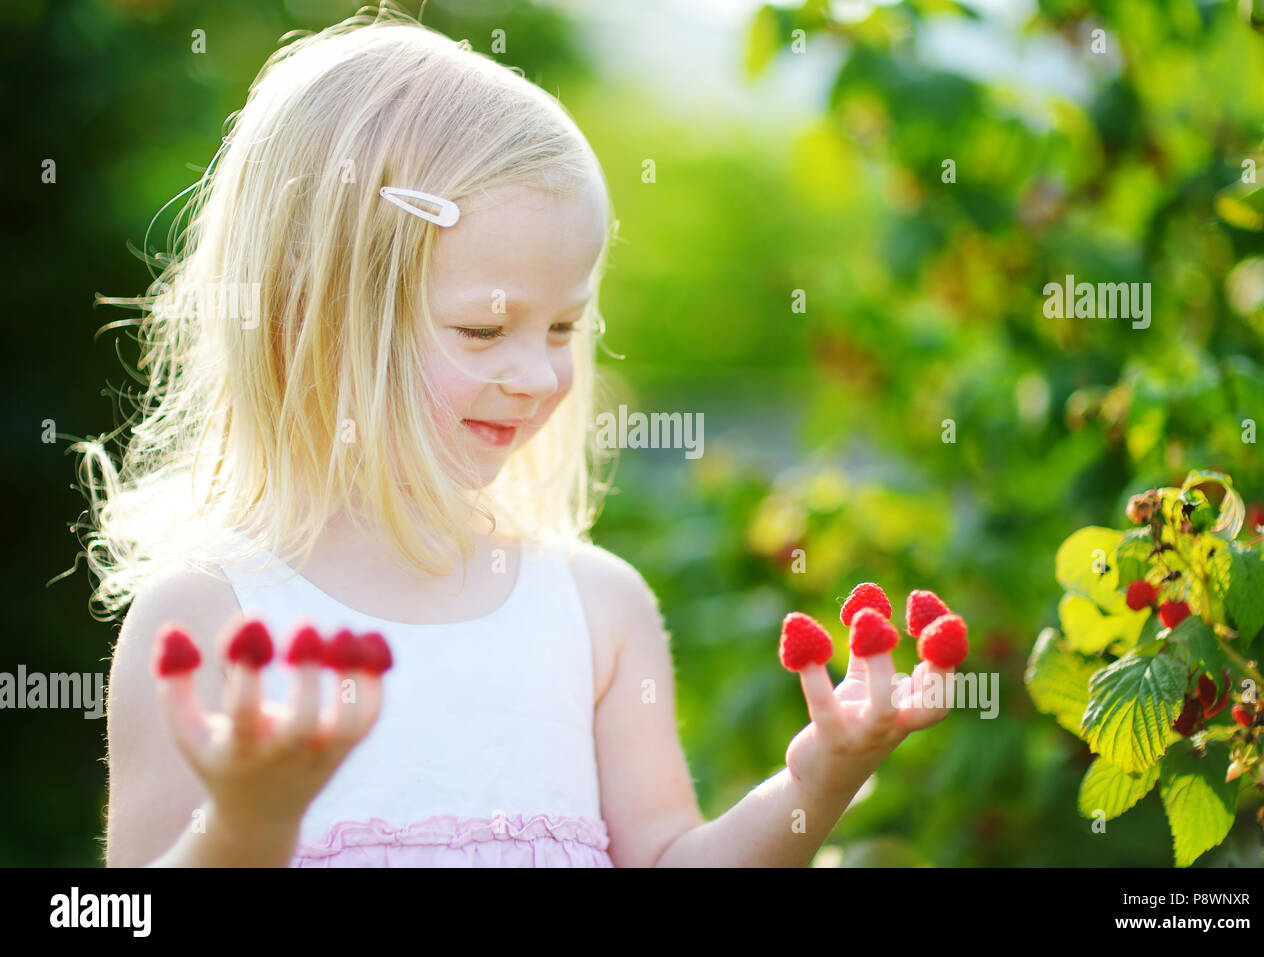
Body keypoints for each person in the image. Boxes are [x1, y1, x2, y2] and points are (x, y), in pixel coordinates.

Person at [79, 6, 948, 868]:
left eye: (564, 328)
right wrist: (244, 824)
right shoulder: (207, 621)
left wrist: (817, 783)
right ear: (316, 318)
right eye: (484, 332)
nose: (538, 375)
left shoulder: (597, 611)